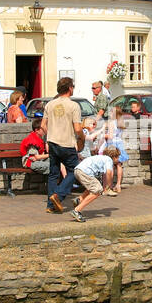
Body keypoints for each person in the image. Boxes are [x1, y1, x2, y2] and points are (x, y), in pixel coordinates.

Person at [44, 77, 83, 214]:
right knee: (74, 171)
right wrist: (82, 138)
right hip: (67, 143)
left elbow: (43, 126)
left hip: (52, 142)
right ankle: (58, 196)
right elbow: (78, 128)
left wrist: (49, 136)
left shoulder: (50, 104)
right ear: (70, 88)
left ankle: (50, 205)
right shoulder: (74, 106)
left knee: (53, 174)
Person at [86, 106, 128, 194]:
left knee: (111, 166)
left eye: (111, 112)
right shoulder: (121, 122)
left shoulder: (111, 123)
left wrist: (103, 135)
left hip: (112, 144)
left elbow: (111, 136)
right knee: (119, 165)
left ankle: (109, 186)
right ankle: (118, 185)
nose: (109, 114)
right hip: (119, 143)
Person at [70, 148, 120, 221]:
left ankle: (79, 199)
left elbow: (105, 175)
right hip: (84, 172)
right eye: (118, 157)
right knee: (97, 190)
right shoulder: (109, 160)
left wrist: (105, 187)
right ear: (114, 156)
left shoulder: (102, 158)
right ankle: (77, 210)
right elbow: (109, 173)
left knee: (93, 187)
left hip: (78, 170)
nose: (118, 159)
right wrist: (108, 187)